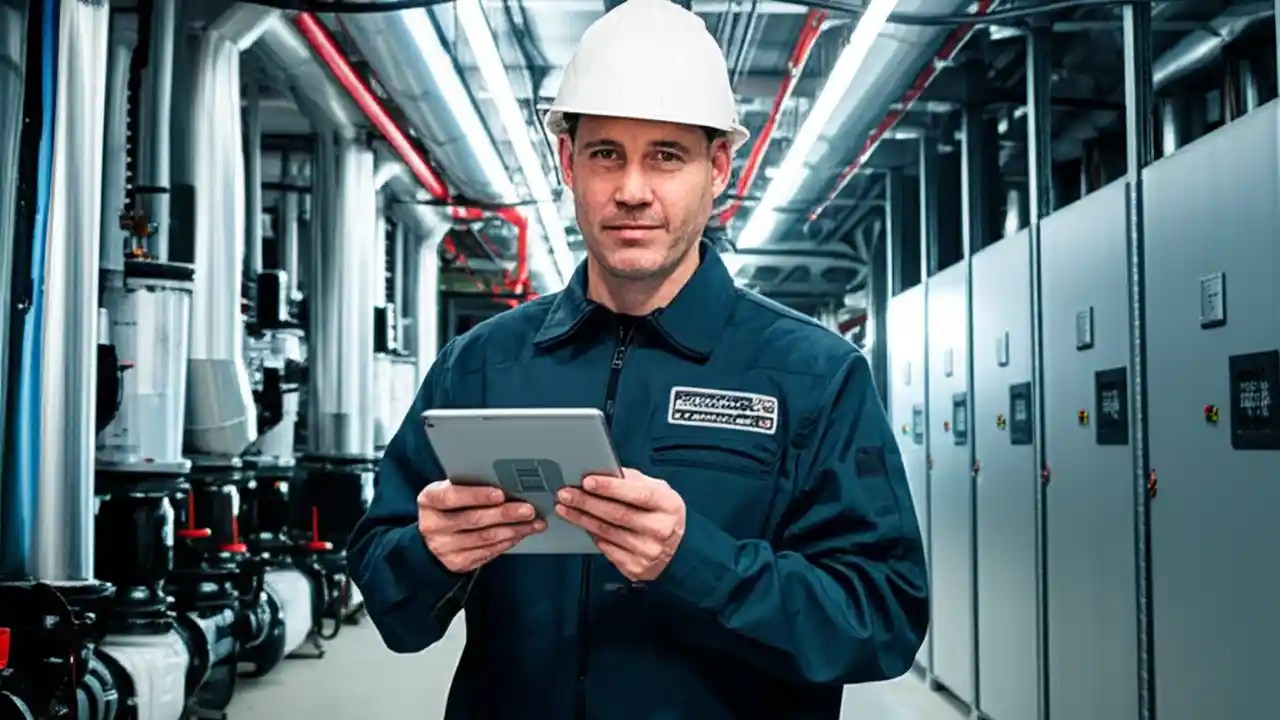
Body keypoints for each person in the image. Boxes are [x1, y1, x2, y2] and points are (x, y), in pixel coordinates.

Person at [347, 0, 929, 717]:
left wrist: (698, 562)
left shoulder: (812, 375)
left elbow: (882, 617)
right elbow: (389, 598)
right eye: (605, 155)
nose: (631, 191)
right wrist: (429, 553)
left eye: (666, 156)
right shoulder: (480, 366)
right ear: (568, 163)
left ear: (718, 168)